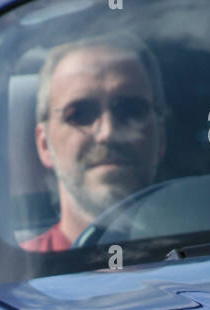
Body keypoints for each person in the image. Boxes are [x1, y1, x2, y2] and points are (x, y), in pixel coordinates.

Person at [21, 36, 167, 252]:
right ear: (44, 144)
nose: (107, 133)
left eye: (131, 110)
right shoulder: (18, 274)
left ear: (161, 138)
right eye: (79, 114)